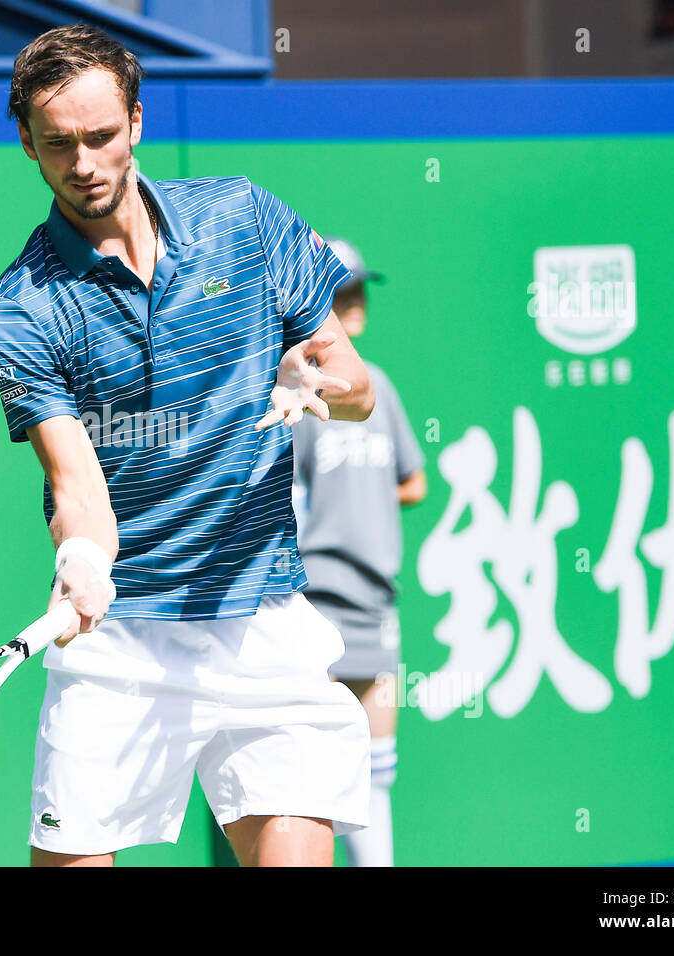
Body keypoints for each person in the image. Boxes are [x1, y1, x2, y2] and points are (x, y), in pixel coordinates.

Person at [0, 23, 380, 867]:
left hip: (262, 623)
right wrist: (82, 559)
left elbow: (360, 388)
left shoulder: (245, 218)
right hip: (119, 645)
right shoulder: (16, 310)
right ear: (26, 144)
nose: (83, 162)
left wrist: (318, 383)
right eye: (58, 144)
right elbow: (75, 482)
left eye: (101, 136)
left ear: (137, 123)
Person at [290, 238, 427, 867]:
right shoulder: (295, 398)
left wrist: (360, 498)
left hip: (377, 602)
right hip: (312, 605)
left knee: (377, 771)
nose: (353, 304)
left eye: (357, 290)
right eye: (339, 292)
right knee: (307, 781)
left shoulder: (383, 388)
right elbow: (282, 500)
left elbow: (414, 481)